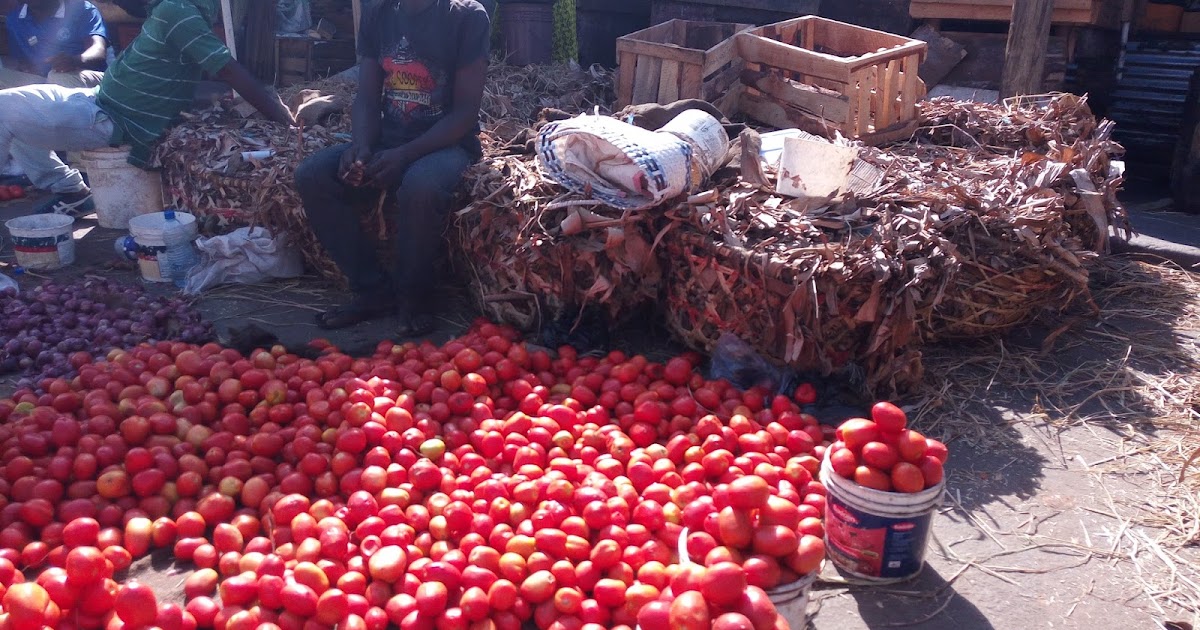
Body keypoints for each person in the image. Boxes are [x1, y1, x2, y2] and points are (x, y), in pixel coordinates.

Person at [295, 0, 490, 337]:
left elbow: (465, 114)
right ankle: (372, 291)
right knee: (312, 175)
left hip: (447, 144)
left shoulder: (466, 17)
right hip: (390, 140)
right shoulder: (379, 12)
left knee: (420, 187)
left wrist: (406, 154)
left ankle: (413, 296)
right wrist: (361, 148)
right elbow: (368, 99)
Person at [0, 0, 294, 216]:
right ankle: (70, 189)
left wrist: (283, 120)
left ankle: (68, 188)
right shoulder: (174, 9)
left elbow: (227, 69)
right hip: (96, 98)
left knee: (2, 109)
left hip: (109, 118)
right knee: (10, 102)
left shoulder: (177, 12)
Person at [0, 0, 109, 89]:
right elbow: (21, 61)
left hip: (81, 76)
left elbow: (98, 50)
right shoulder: (14, 19)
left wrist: (75, 61)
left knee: (59, 77)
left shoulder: (82, 9)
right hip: (42, 79)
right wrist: (27, 67)